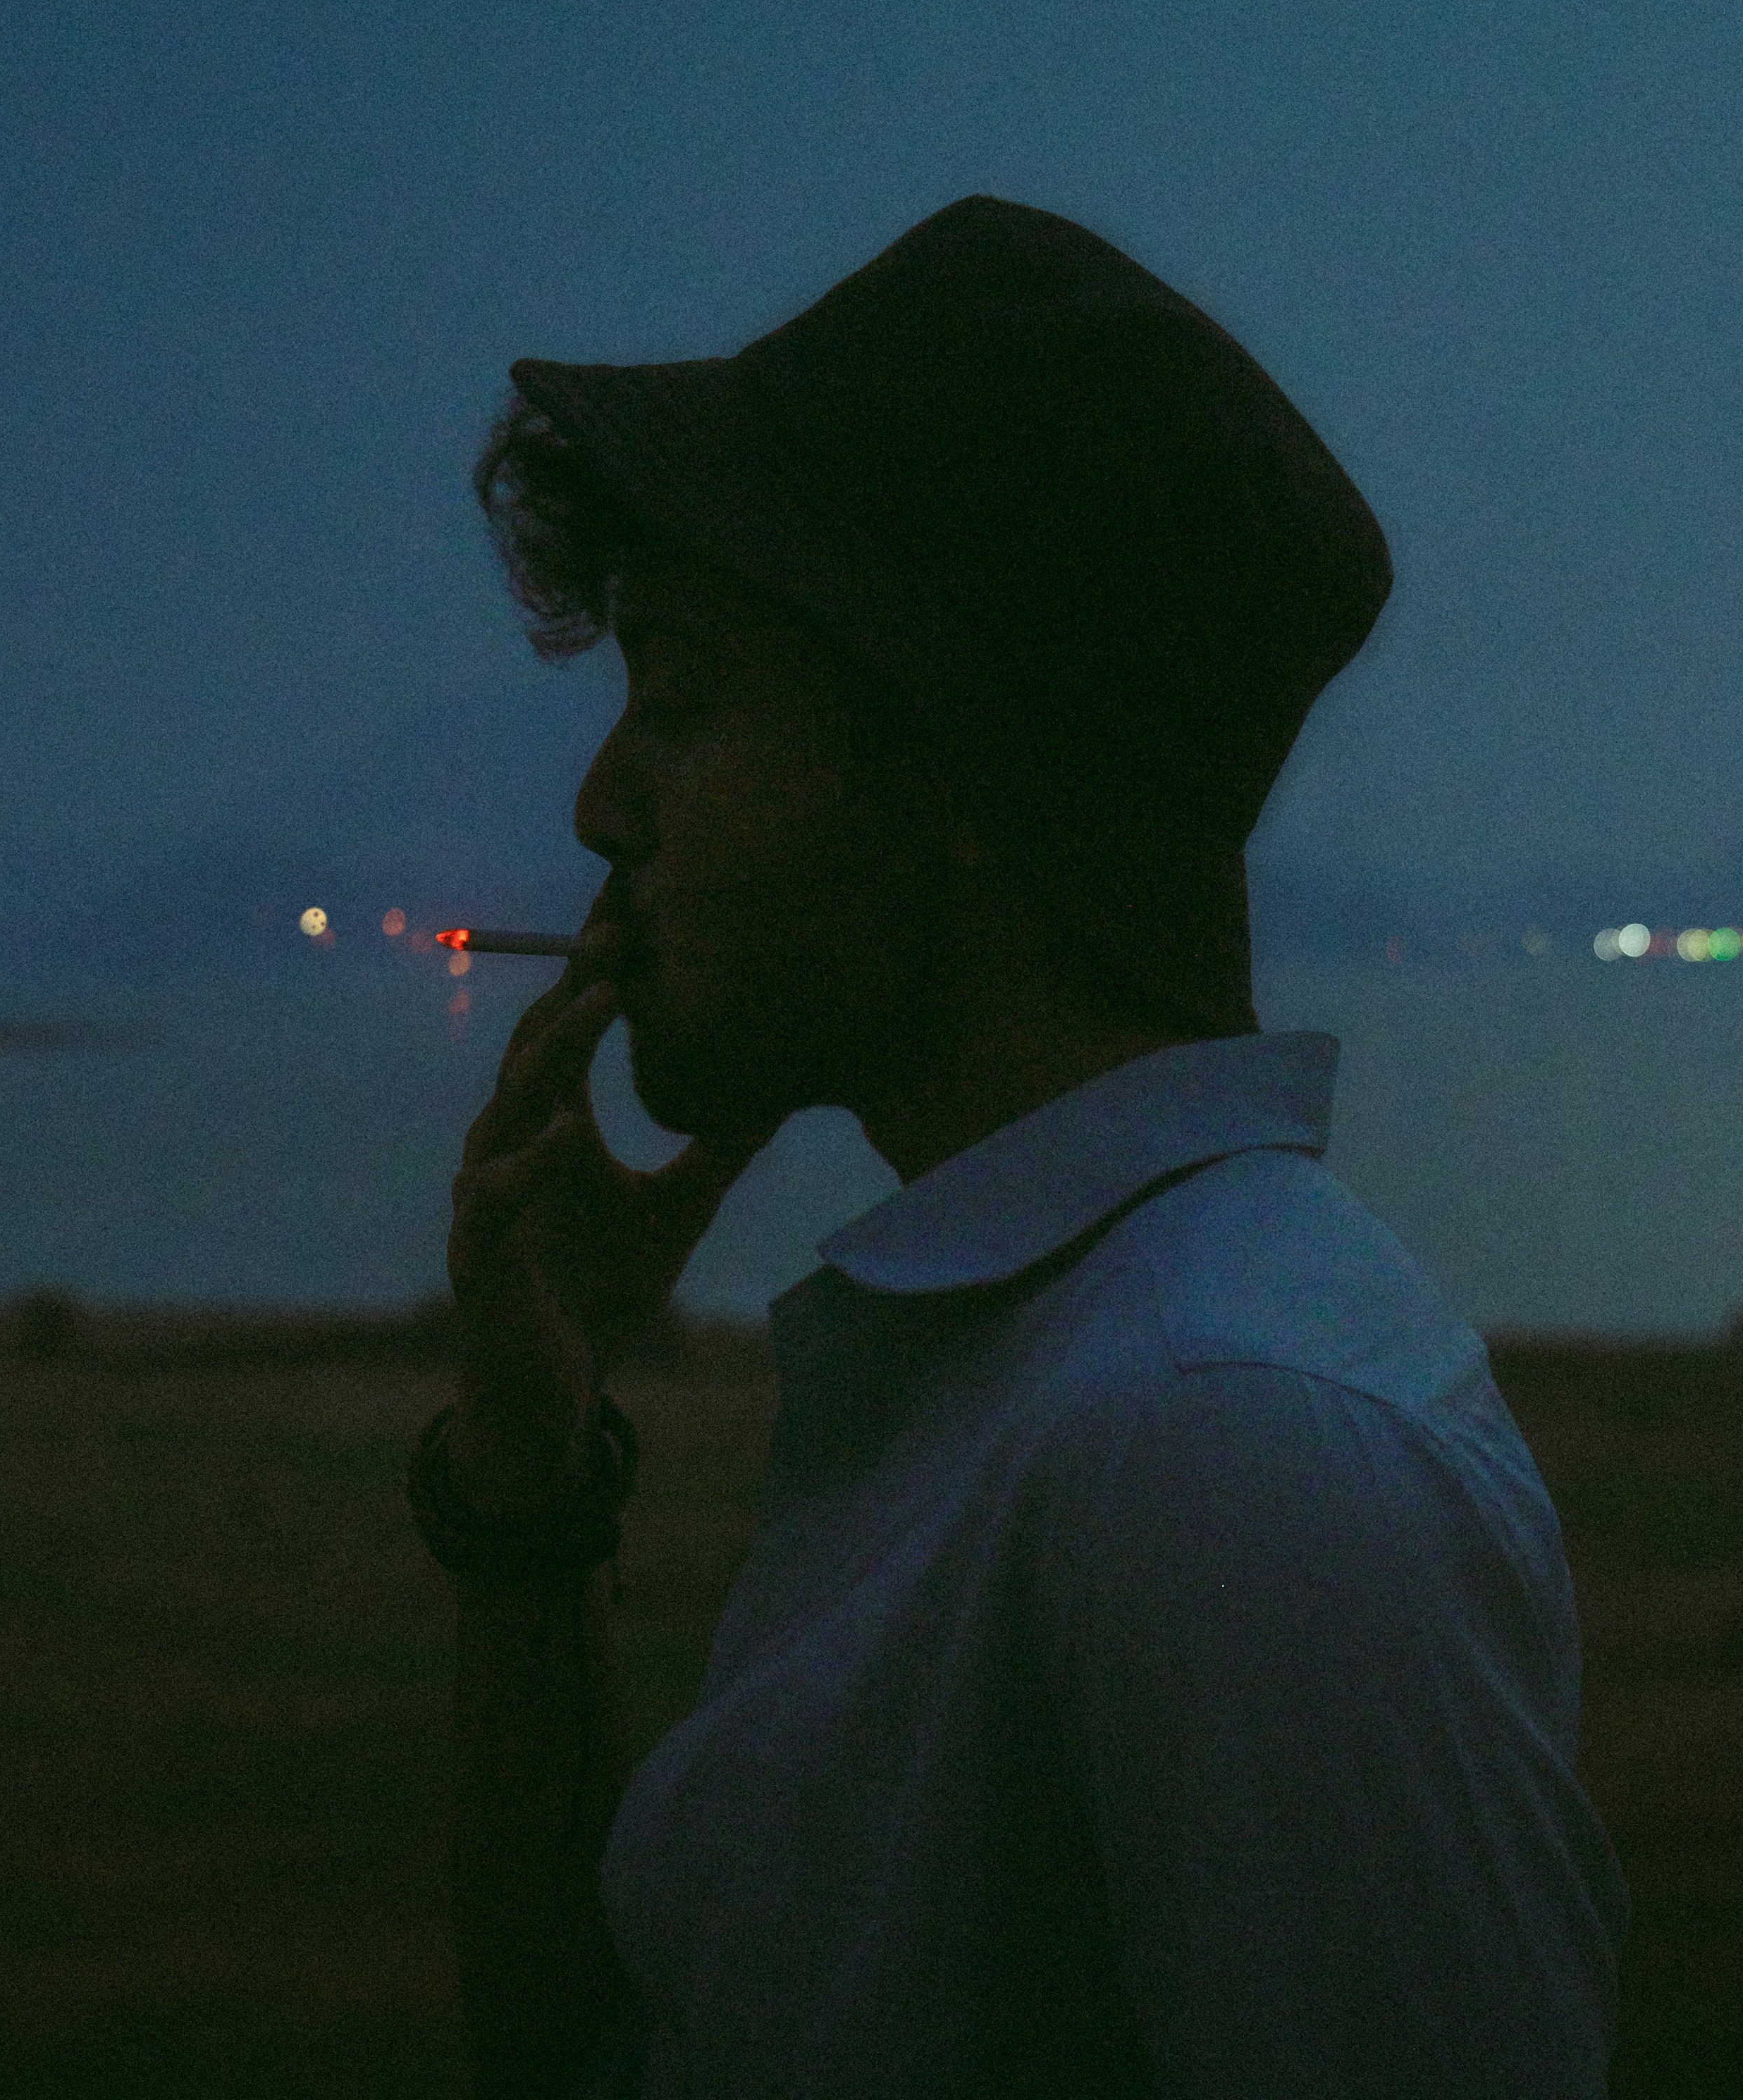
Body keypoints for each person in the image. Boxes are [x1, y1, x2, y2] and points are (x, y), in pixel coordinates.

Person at [418, 197, 1625, 2098]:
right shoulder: (1052, 1377)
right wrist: (532, 1458)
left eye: (690, 695)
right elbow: (601, 2058)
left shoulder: (1229, 1451)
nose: (601, 803)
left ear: (968, 770)